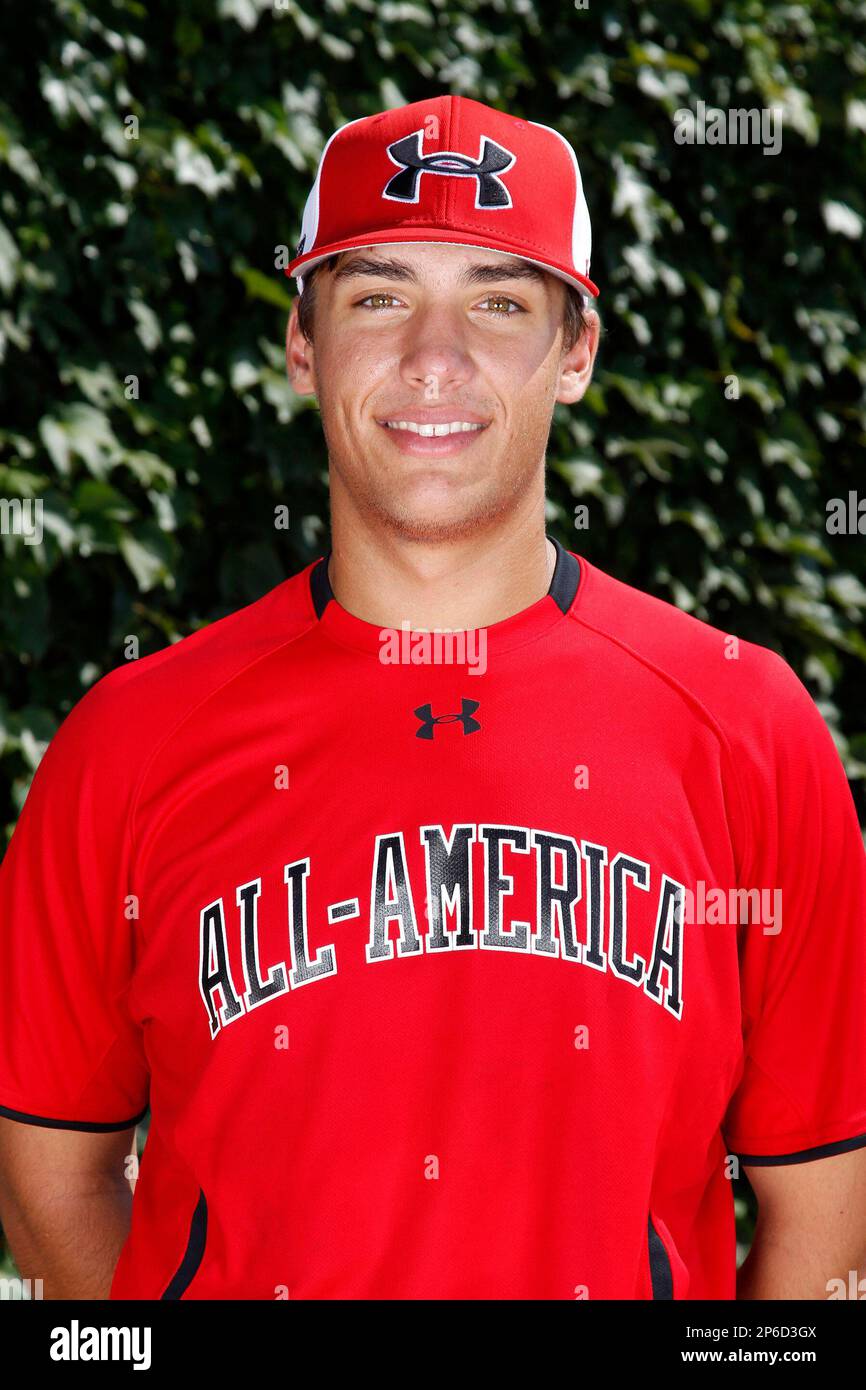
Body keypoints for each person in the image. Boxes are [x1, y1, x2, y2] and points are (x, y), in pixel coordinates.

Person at [1, 94, 865, 1301]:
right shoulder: (131, 742)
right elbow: (48, 1174)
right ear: (303, 343)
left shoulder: (746, 731)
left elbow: (820, 1203)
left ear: (576, 353)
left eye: (499, 302)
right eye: (378, 296)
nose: (433, 358)